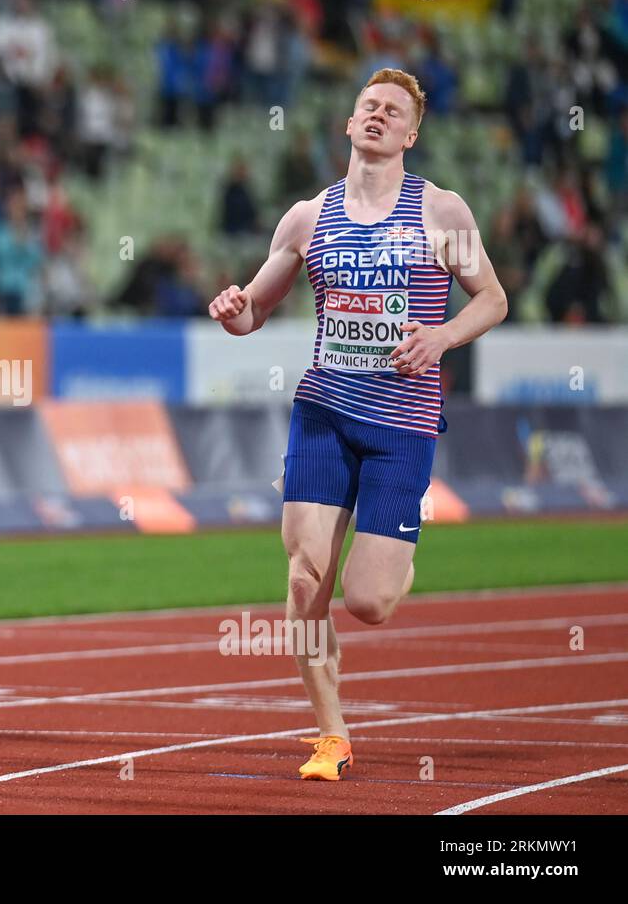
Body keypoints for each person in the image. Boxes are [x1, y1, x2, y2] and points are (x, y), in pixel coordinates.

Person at [207, 69, 507, 779]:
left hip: (402, 422)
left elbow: (491, 298)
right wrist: (233, 312)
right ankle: (332, 736)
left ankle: (396, 559)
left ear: (411, 134)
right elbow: (255, 309)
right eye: (367, 106)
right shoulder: (308, 217)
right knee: (306, 572)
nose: (376, 116)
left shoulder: (440, 212)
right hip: (324, 411)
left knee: (368, 601)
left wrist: (441, 337)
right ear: (348, 124)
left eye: (392, 111)